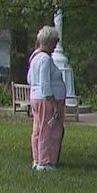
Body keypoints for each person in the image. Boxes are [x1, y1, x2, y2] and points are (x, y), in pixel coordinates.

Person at [26, 25, 67, 171]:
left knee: (39, 129)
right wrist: (54, 103)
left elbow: (30, 79)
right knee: (48, 131)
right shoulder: (44, 59)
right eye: (55, 42)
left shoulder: (35, 57)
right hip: (46, 100)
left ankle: (38, 159)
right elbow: (45, 83)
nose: (56, 45)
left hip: (37, 98)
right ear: (49, 42)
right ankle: (45, 161)